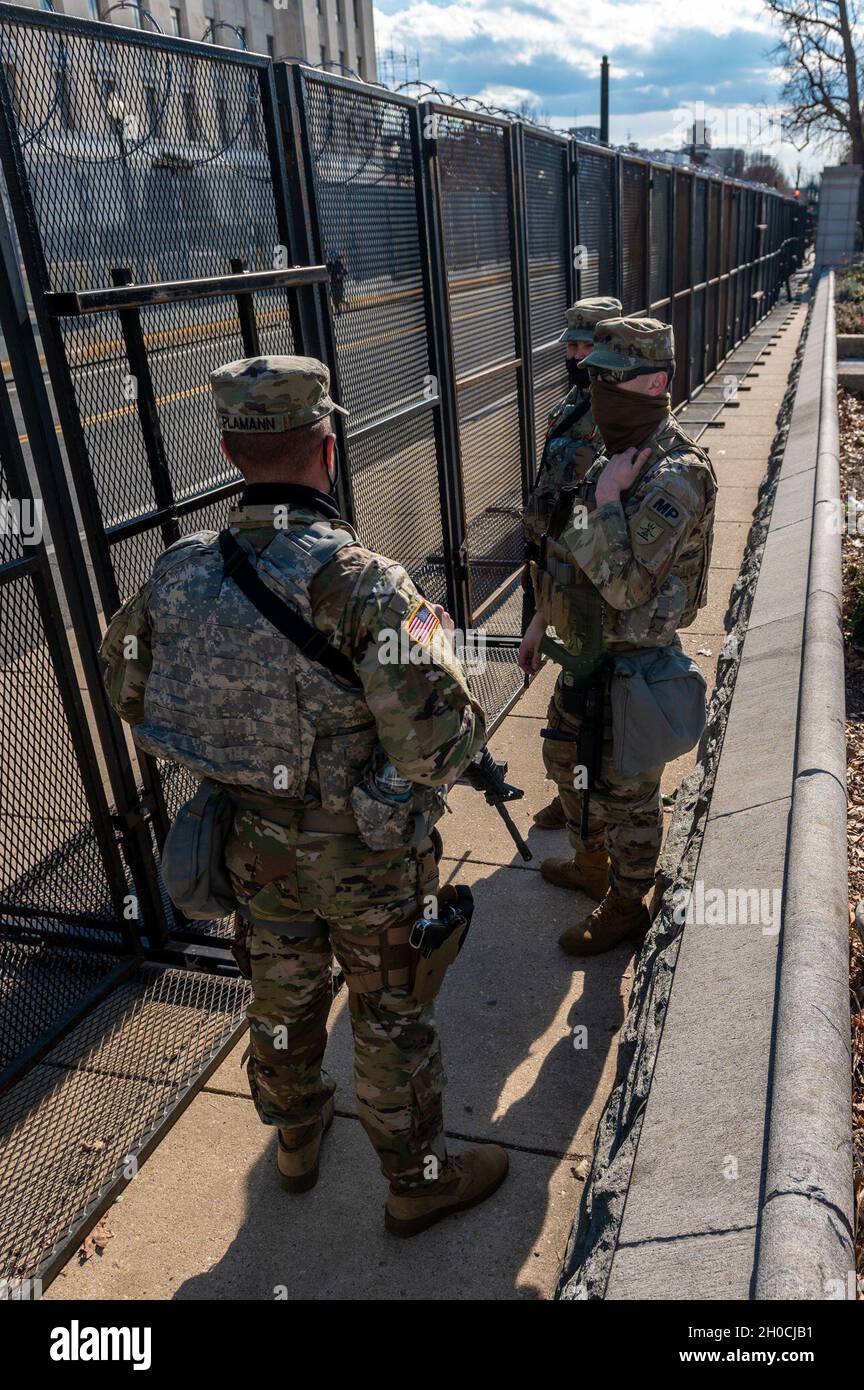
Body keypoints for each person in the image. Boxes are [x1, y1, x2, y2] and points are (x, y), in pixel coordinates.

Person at [99, 355, 508, 1236]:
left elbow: (127, 687)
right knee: (391, 1013)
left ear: (227, 449)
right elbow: (440, 738)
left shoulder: (179, 569)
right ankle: (417, 1179)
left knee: (280, 997)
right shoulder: (361, 582)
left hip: (254, 842)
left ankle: (294, 1138)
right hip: (363, 851)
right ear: (329, 448)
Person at [518, 319, 717, 956]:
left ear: (656, 382)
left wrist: (605, 498)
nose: (598, 390)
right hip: (586, 650)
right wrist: (540, 618)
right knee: (563, 763)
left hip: (638, 662)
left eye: (612, 377)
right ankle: (589, 863)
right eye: (594, 376)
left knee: (630, 798)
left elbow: (628, 588)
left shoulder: (677, 474)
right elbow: (569, 550)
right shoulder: (618, 454)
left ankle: (627, 904)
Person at [523, 294, 621, 830]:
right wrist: (542, 608)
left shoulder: (618, 415)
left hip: (591, 584)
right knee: (577, 700)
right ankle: (574, 797)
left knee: (585, 708)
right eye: (573, 345)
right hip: (561, 574)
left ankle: (586, 809)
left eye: (589, 345)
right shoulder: (577, 400)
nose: (578, 355)